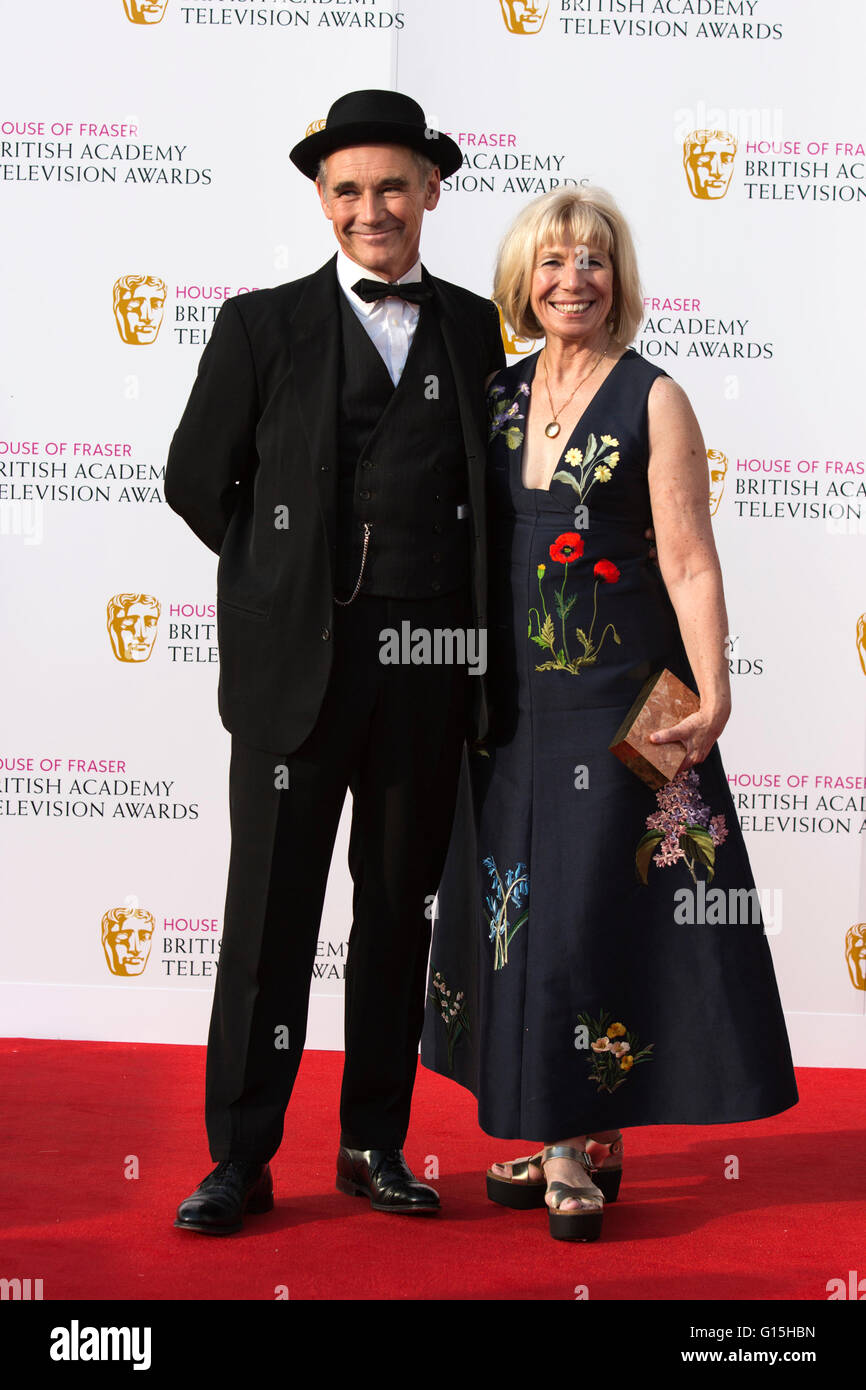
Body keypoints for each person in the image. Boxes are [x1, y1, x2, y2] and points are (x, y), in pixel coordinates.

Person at [420, 186, 798, 1242]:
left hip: (632, 696)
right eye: (552, 261)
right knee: (517, 913)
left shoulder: (654, 396)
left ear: (616, 281)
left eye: (592, 260)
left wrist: (713, 688)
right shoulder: (492, 397)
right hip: (508, 704)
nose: (571, 278)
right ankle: (555, 1117)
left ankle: (575, 1138)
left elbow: (685, 557)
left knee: (600, 912)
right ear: (523, 281)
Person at [164, 89, 505, 1234]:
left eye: (393, 186)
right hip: (292, 679)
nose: (373, 208)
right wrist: (282, 580)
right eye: (350, 189)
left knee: (396, 917)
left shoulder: (469, 325)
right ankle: (240, 1157)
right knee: (268, 922)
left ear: (430, 191)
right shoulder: (259, 326)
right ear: (322, 198)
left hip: (426, 671)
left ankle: (373, 1141)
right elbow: (194, 480)